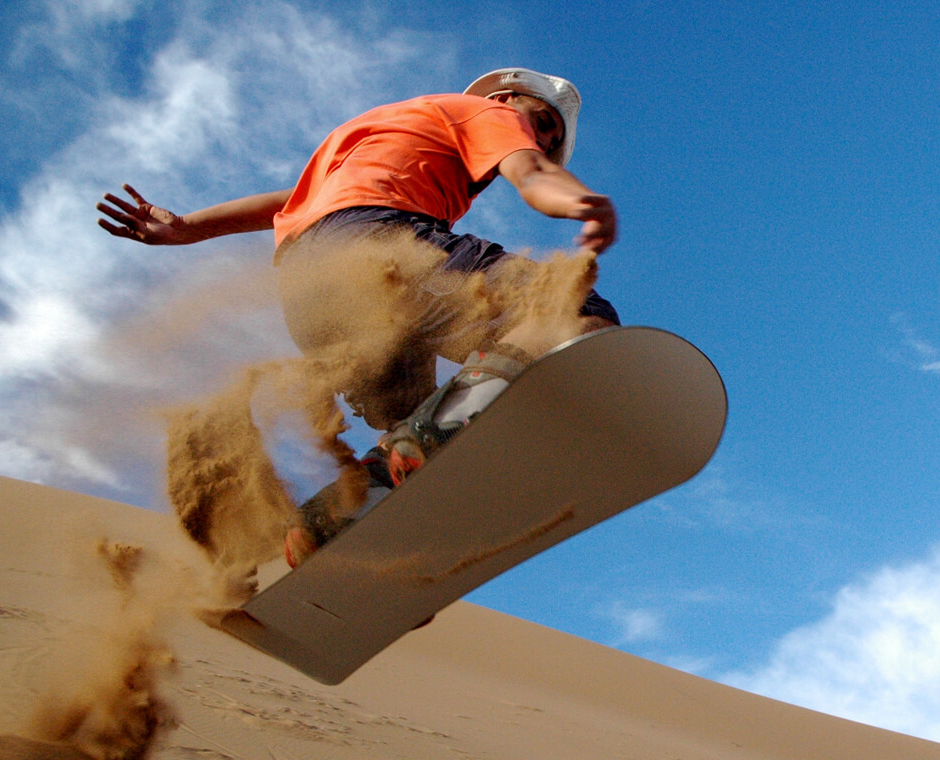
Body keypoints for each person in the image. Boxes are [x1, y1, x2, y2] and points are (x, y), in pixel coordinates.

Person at [98, 68, 620, 566]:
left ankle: (339, 526)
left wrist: (188, 228)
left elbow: (290, 201)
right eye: (541, 123)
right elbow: (532, 173)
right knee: (575, 309)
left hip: (311, 287)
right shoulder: (485, 113)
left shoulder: (384, 133)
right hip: (379, 250)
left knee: (416, 435)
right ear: (505, 99)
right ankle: (426, 440)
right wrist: (580, 201)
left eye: (549, 139)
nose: (539, 140)